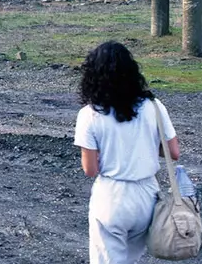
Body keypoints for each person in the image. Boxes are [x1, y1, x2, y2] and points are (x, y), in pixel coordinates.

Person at [73, 41, 180, 264]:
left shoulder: (89, 115)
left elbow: (90, 169)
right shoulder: (154, 106)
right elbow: (173, 152)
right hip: (147, 196)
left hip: (112, 197)